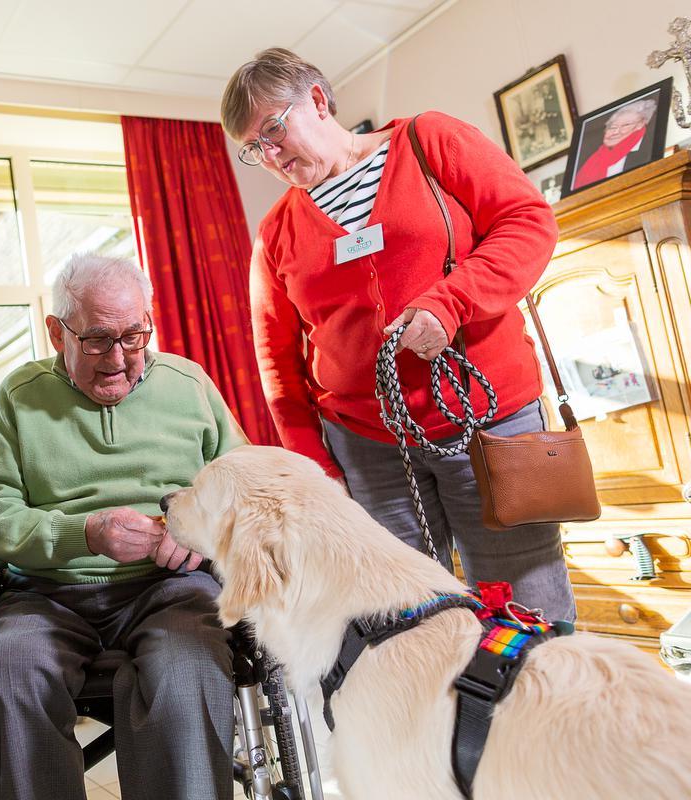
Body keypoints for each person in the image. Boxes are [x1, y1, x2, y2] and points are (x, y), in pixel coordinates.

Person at [220, 47, 576, 621]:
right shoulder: (277, 231)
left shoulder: (429, 142)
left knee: (529, 607)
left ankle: (550, 711)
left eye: (273, 130)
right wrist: (316, 467)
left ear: (316, 100)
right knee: (407, 621)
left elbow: (528, 222)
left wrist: (451, 303)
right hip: (367, 450)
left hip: (488, 423)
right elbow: (277, 364)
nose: (270, 154)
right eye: (254, 148)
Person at [0, 253, 247, 800]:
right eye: (96, 340)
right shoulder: (20, 397)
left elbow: (245, 490)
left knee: (185, 671)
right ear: (56, 333)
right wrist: (84, 534)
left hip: (171, 588)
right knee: (12, 674)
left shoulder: (188, 385)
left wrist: (196, 535)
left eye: (135, 336)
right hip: (48, 593)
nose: (118, 359)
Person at [572, 97, 659, 189]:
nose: (615, 132)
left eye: (625, 125)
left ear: (640, 125)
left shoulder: (648, 148)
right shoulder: (593, 157)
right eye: (612, 127)